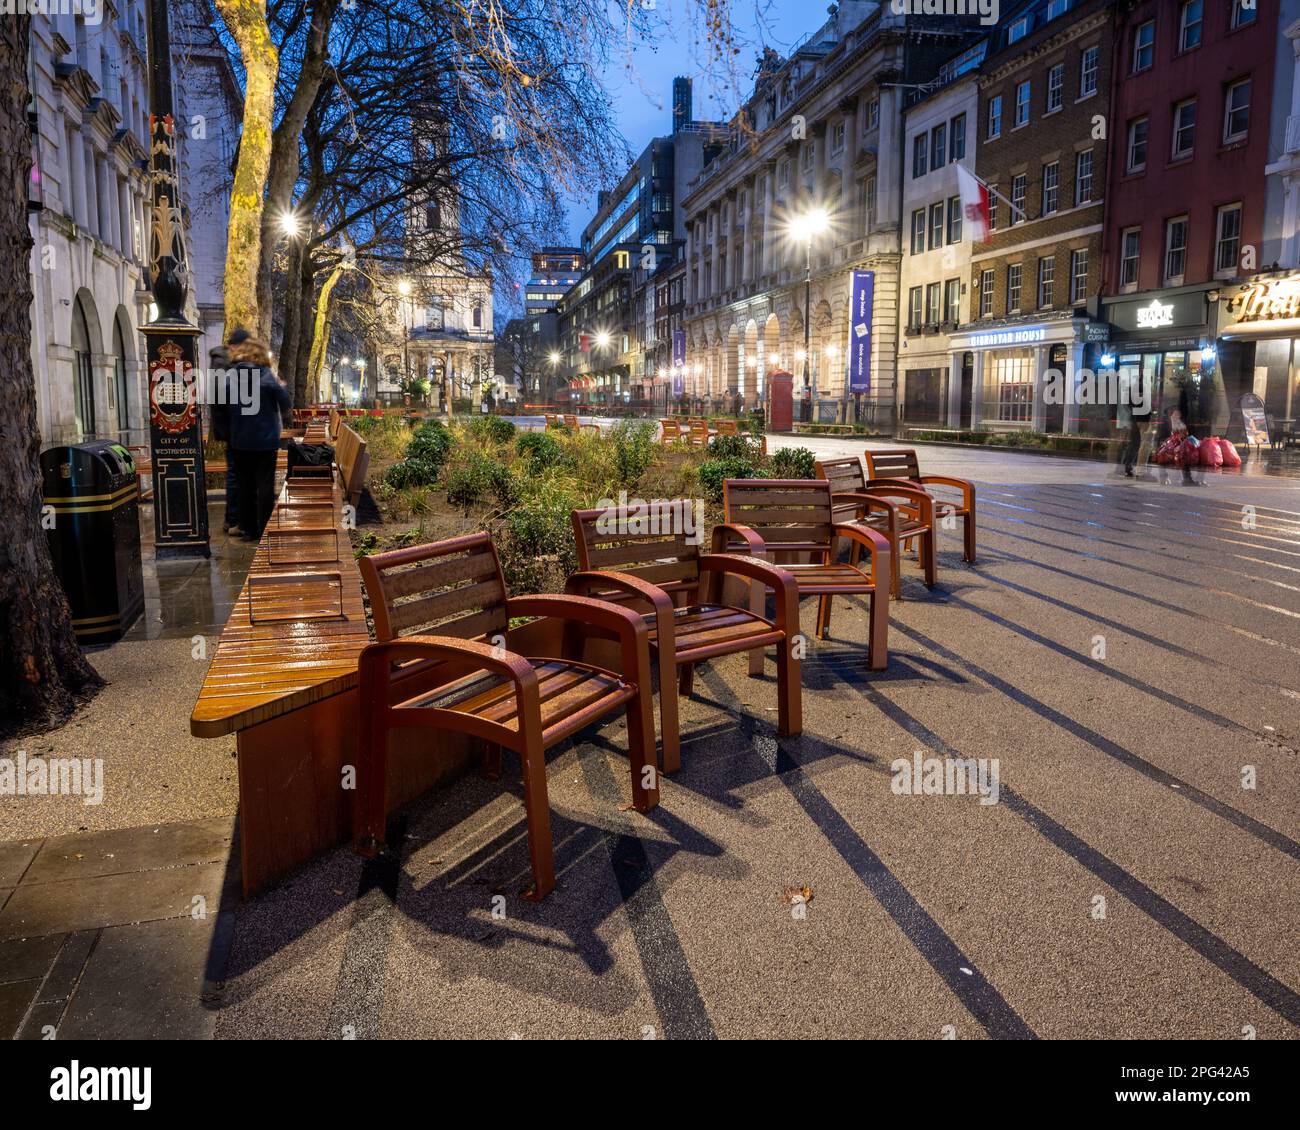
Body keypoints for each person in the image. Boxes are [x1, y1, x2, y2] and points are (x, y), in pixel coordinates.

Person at [226, 329, 291, 539]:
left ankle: (247, 529)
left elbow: (220, 403)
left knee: (244, 485)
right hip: (265, 440)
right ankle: (264, 527)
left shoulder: (231, 375)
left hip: (239, 439)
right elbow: (285, 402)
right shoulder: (265, 375)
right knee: (264, 485)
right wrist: (280, 388)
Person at [208, 341, 242, 536]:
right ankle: (233, 518)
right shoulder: (223, 364)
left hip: (231, 429)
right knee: (235, 476)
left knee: (235, 475)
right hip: (233, 431)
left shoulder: (220, 362)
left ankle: (234, 518)